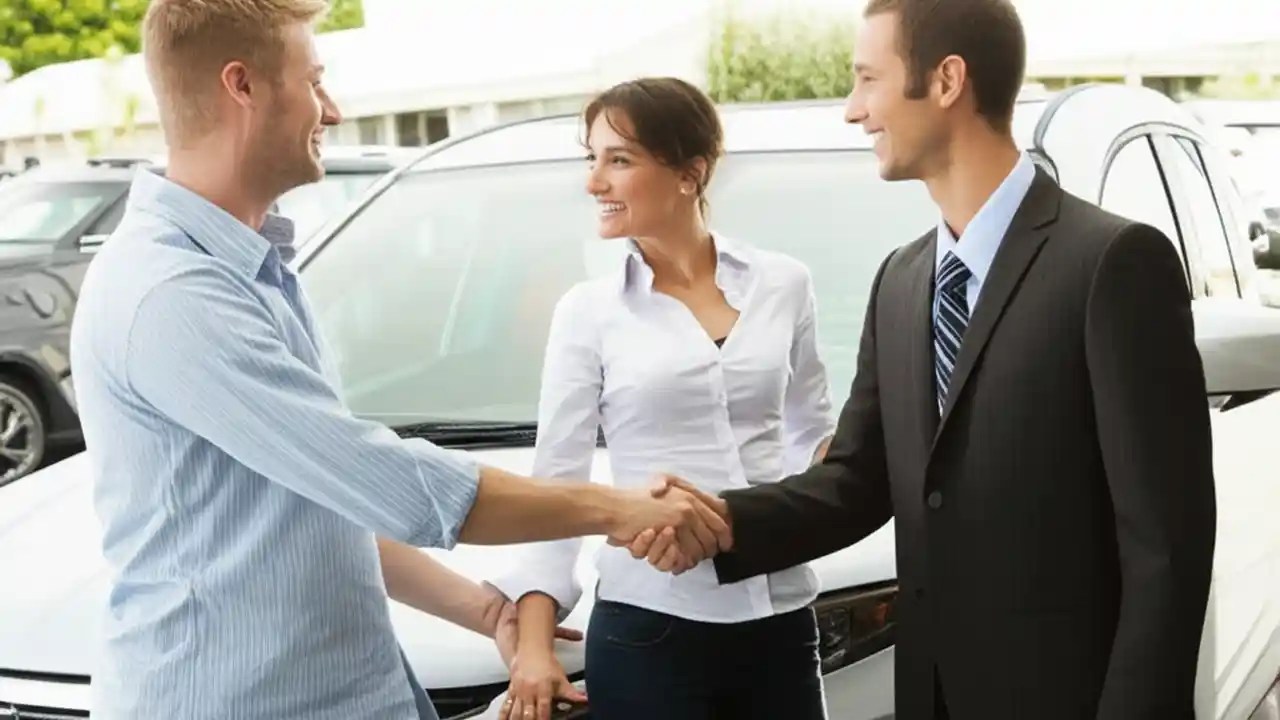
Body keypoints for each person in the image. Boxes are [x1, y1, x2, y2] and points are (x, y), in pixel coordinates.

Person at [68, 3, 728, 719]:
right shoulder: (171, 293)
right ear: (244, 86)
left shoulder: (254, 271)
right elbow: (384, 480)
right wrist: (620, 508)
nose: (334, 109)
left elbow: (316, 498)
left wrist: (483, 612)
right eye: (313, 82)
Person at [632, 1, 1218, 719]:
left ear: (947, 80)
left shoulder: (1112, 265)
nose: (854, 110)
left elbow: (1167, 550)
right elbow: (857, 480)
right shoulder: (903, 282)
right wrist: (720, 521)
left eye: (868, 79)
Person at [489, 77, 837, 720]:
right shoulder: (587, 311)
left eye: (618, 160)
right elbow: (555, 485)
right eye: (589, 159)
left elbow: (810, 439)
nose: (594, 182)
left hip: (781, 619)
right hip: (652, 628)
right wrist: (533, 649)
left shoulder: (785, 284)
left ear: (689, 173)